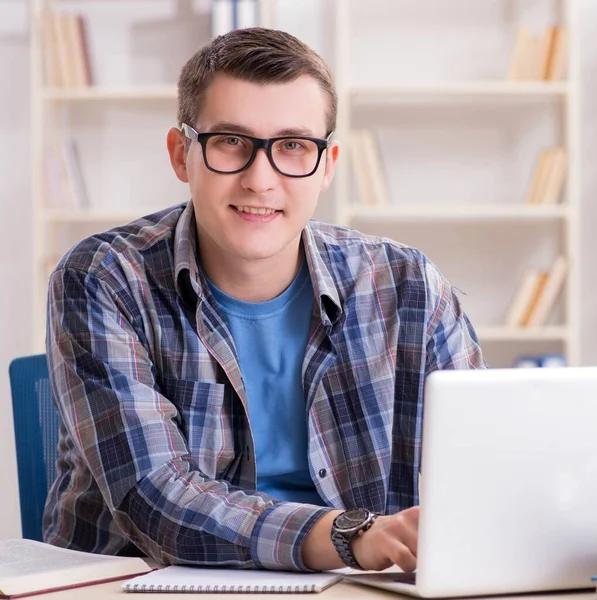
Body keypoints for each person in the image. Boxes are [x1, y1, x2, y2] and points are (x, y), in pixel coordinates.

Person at [44, 27, 485, 574]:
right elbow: (153, 498)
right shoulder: (104, 278)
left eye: (293, 146)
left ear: (327, 164)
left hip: (356, 587)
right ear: (182, 155)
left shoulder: (408, 285)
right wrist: (350, 535)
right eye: (231, 141)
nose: (260, 179)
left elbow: (483, 470)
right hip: (140, 584)